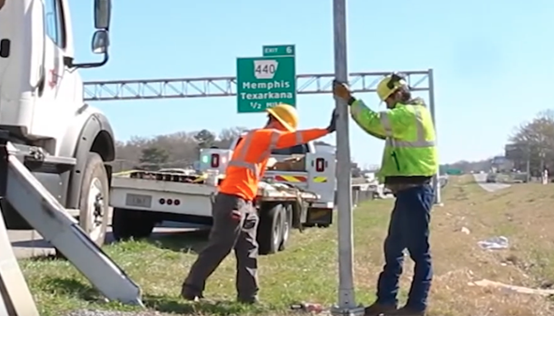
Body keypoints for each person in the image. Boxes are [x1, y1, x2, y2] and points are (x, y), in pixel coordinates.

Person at [181, 103, 336, 304]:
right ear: (277, 122)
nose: (285, 135)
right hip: (232, 200)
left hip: (245, 201)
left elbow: (260, 160)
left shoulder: (257, 141)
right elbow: (291, 138)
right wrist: (326, 130)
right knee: (220, 246)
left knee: (248, 248)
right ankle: (191, 289)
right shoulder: (262, 135)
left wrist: (279, 162)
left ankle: (248, 297)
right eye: (285, 129)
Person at [333, 73, 438, 317]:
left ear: (398, 94)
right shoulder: (406, 117)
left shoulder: (409, 114)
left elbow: (375, 121)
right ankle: (386, 302)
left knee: (419, 253)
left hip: (415, 192)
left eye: (388, 101)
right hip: (407, 195)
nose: (388, 106)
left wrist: (350, 100)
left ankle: (415, 308)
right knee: (393, 249)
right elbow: (378, 129)